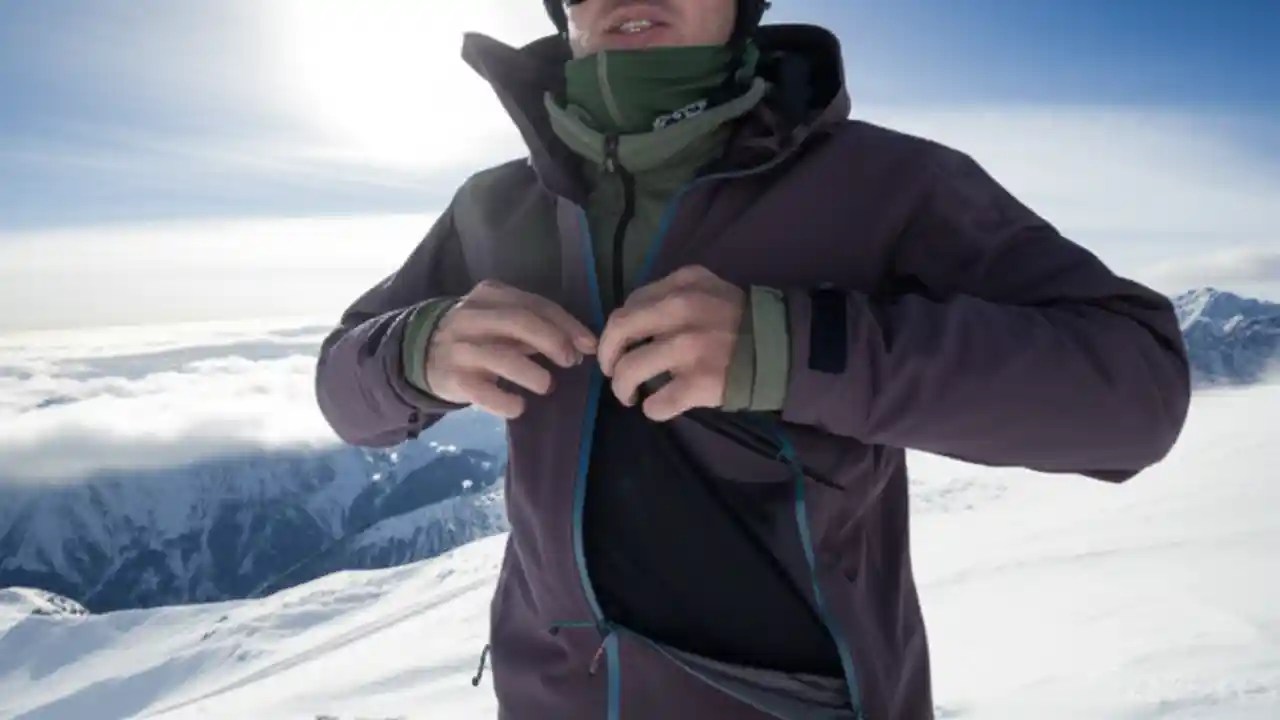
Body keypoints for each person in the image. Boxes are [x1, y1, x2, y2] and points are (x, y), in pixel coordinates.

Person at [315, 0, 1192, 717]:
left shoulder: (887, 185)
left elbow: (1136, 390)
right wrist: (413, 352)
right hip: (547, 698)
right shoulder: (493, 206)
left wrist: (796, 346)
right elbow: (346, 395)